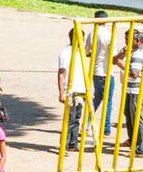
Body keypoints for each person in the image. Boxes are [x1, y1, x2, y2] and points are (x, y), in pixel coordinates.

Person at [112, 29, 143, 153]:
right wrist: (123, 52)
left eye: (128, 40)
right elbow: (114, 60)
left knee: (136, 118)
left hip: (136, 89)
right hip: (130, 88)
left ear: (137, 40)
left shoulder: (138, 54)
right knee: (129, 115)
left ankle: (140, 147)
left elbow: (134, 74)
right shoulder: (132, 51)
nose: (126, 42)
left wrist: (122, 65)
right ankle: (133, 140)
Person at [88, 10, 117, 138]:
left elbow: (86, 51)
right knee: (108, 101)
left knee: (97, 98)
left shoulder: (91, 33)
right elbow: (113, 55)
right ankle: (106, 128)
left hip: (95, 71)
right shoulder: (108, 34)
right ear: (105, 20)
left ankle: (87, 123)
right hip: (105, 72)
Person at [58, 27, 85, 152]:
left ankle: (73, 143)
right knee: (69, 119)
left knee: (76, 118)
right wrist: (62, 92)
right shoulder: (65, 52)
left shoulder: (82, 51)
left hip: (81, 89)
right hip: (71, 90)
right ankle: (64, 144)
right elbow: (61, 73)